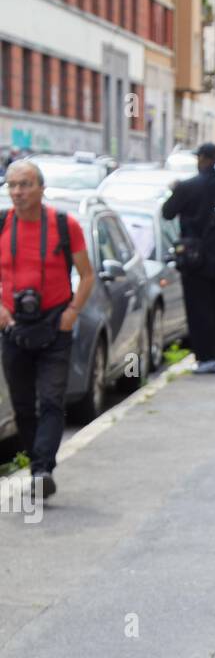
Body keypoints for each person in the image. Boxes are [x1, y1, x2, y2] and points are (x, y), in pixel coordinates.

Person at [0, 158, 94, 499]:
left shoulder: (65, 225)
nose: (17, 192)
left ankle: (42, 469)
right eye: (12, 185)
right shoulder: (2, 224)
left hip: (56, 324)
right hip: (14, 326)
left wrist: (72, 311)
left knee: (52, 400)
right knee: (23, 405)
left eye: (24, 184)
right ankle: (38, 466)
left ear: (41, 188)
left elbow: (87, 275)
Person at [161, 142, 215, 375]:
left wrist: (174, 191)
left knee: (197, 310)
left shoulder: (186, 187)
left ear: (203, 159)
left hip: (193, 261)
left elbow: (167, 212)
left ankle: (204, 357)